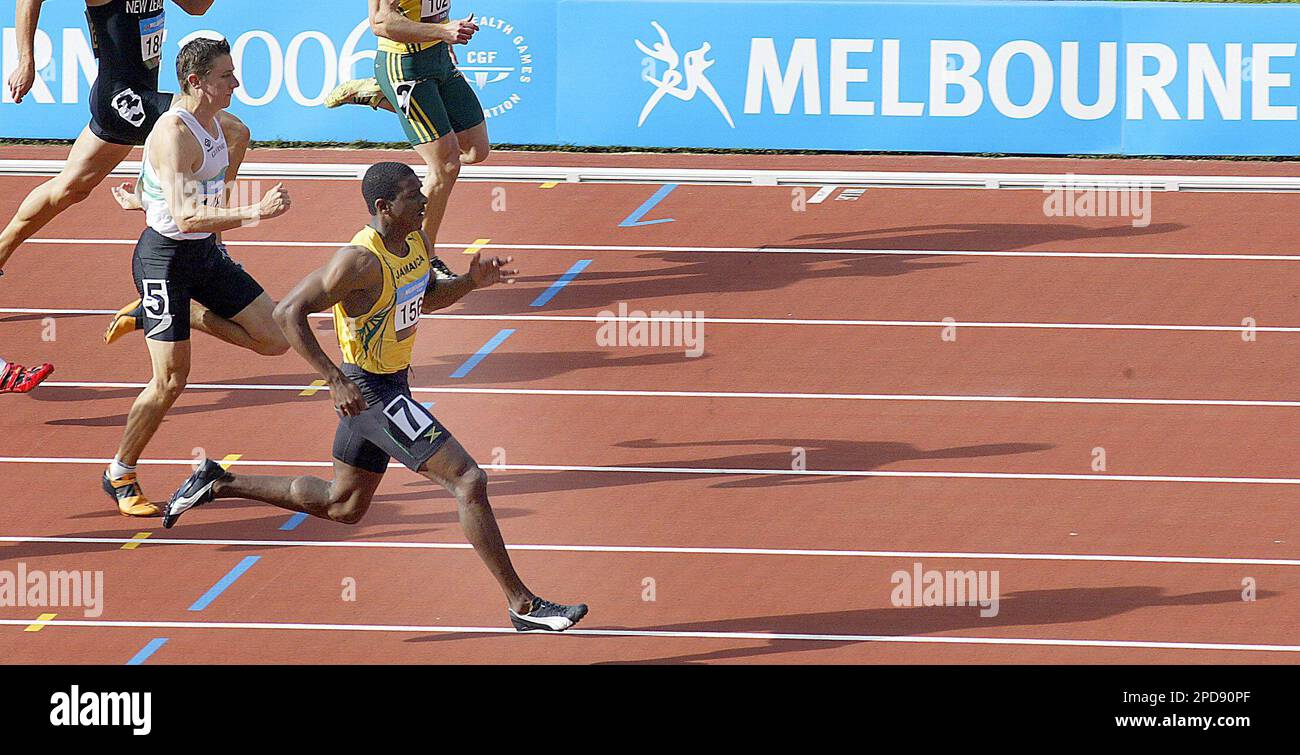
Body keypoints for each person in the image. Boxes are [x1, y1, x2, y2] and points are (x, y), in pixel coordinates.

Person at [163, 161, 589, 632]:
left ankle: (219, 482)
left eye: (421, 193)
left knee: (343, 505)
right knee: (469, 480)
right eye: (413, 196)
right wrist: (333, 378)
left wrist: (469, 282)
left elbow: (425, 298)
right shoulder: (358, 261)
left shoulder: (417, 244)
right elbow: (288, 312)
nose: (425, 202)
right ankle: (523, 606)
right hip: (370, 392)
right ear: (384, 206)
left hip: (392, 384)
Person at [103, 37, 292, 518]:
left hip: (203, 253)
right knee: (171, 380)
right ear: (196, 82)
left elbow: (177, 185)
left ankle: (166, 315)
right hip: (164, 260)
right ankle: (120, 472)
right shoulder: (173, 133)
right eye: (226, 76)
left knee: (275, 339)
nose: (237, 83)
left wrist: (145, 200)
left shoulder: (218, 122)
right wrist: (255, 213)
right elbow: (185, 216)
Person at [0, 0, 252, 278]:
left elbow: (197, 7)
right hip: (122, 100)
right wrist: (26, 60)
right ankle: (213, 242)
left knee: (69, 187)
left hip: (133, 101)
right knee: (234, 133)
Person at [324, 1, 487, 279]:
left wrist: (440, 34)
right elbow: (381, 22)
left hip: (438, 58)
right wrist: (442, 30)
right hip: (405, 68)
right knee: (446, 165)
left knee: (475, 151)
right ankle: (427, 256)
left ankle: (379, 95)